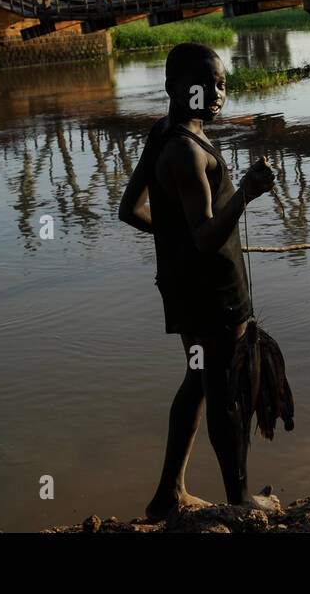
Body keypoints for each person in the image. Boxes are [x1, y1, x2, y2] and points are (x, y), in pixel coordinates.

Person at [118, 43, 279, 519]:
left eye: (221, 84)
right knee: (226, 389)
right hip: (214, 293)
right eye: (203, 83)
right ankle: (241, 503)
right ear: (172, 88)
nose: (215, 93)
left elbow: (130, 211)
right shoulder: (187, 153)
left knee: (199, 379)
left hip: (182, 284)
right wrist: (246, 192)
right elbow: (208, 237)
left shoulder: (164, 132)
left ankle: (170, 492)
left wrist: (177, 241)